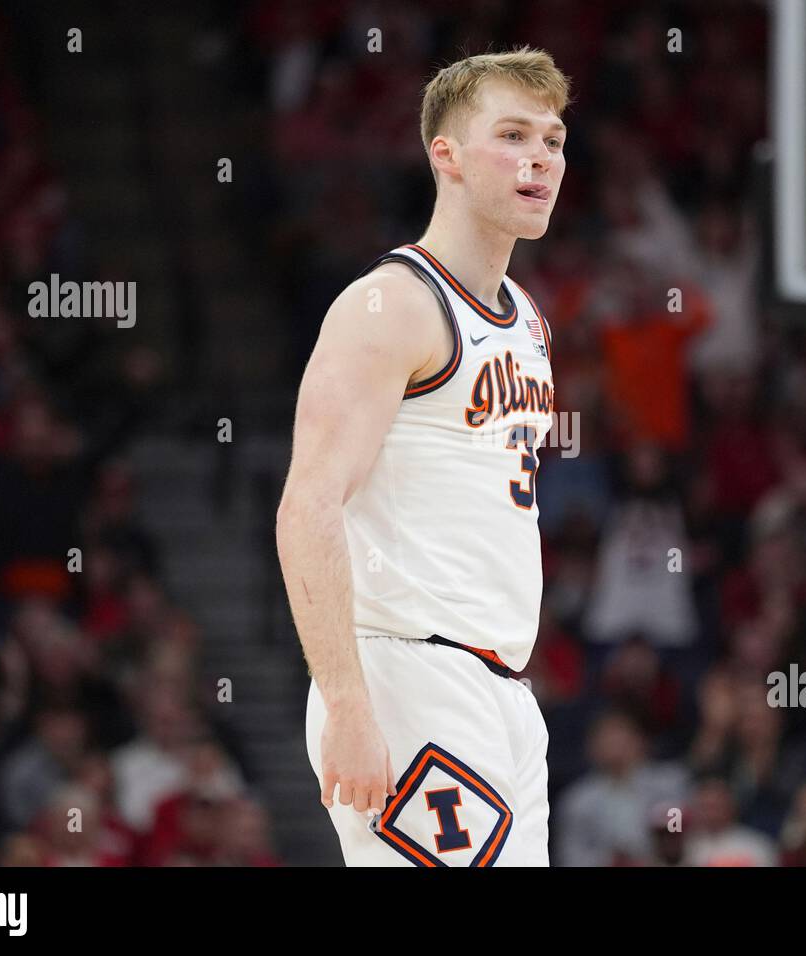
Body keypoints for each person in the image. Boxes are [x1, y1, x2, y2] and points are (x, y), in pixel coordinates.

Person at [277, 48, 571, 866]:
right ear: (447, 155)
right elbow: (308, 505)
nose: (540, 158)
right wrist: (348, 702)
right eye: (512, 135)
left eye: (552, 140)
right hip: (406, 673)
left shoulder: (528, 319)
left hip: (499, 686)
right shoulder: (391, 306)